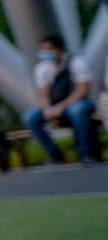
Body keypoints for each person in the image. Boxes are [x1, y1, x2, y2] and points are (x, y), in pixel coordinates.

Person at [24, 33, 102, 164]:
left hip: (79, 103)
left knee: (76, 111)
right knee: (29, 117)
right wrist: (47, 109)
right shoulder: (41, 69)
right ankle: (55, 155)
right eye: (42, 50)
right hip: (54, 106)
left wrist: (61, 107)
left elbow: (83, 91)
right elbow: (43, 95)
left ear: (60, 49)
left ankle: (86, 153)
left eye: (48, 49)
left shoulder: (77, 63)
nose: (44, 53)